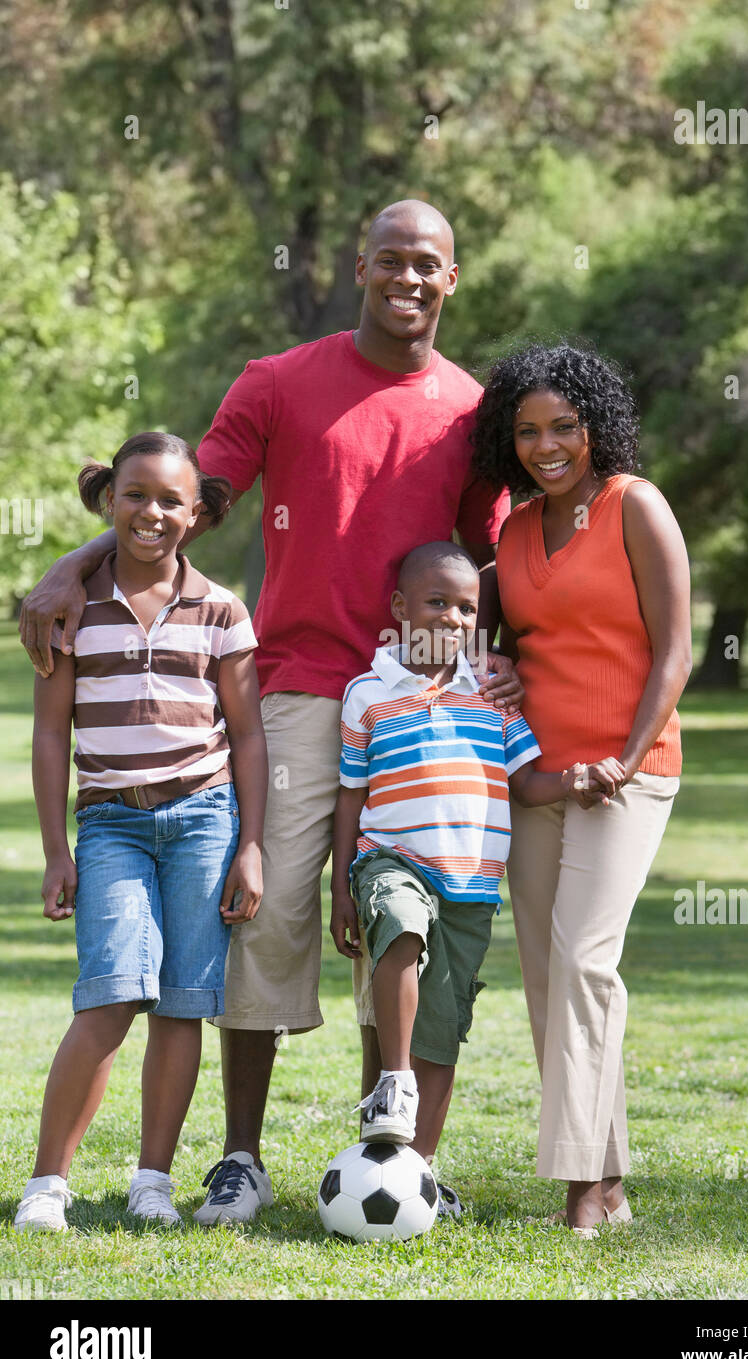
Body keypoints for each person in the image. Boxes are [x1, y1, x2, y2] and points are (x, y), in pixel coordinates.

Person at [17, 200, 521, 1225]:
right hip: (294, 686)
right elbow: (179, 504)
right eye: (390, 261)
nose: (407, 279)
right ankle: (239, 1157)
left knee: (401, 921)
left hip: (421, 699)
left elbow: (493, 565)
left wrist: (503, 666)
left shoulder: (471, 413)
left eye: (427, 264)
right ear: (358, 268)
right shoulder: (278, 381)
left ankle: (394, 1156)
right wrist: (73, 564)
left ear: (452, 279)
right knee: (265, 918)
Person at [13, 433, 266, 1233]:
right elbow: (52, 735)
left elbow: (249, 736)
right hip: (112, 825)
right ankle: (47, 1184)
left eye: (169, 500)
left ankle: (151, 1179)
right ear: (108, 500)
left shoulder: (222, 609)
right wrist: (58, 847)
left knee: (183, 1004)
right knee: (110, 997)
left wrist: (251, 845)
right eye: (134, 495)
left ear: (195, 515)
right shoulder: (69, 609)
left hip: (204, 820)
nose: (150, 512)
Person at [471, 342, 692, 1235]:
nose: (546, 445)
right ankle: (609, 1180)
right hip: (539, 779)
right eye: (527, 431)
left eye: (564, 426)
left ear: (597, 426)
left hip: (626, 776)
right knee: (546, 974)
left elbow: (676, 650)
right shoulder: (515, 532)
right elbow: (485, 636)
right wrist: (496, 668)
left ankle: (579, 1190)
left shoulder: (636, 505)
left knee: (586, 961)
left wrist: (630, 759)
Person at [329, 541, 591, 1215]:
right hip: (391, 858)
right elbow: (351, 797)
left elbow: (528, 783)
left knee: (443, 1030)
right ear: (400, 609)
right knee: (402, 931)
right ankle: (393, 1080)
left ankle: (417, 1171)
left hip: (472, 882)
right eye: (436, 603)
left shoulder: (493, 695)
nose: (450, 618)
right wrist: (339, 889)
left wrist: (577, 779)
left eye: (466, 608)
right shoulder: (368, 694)